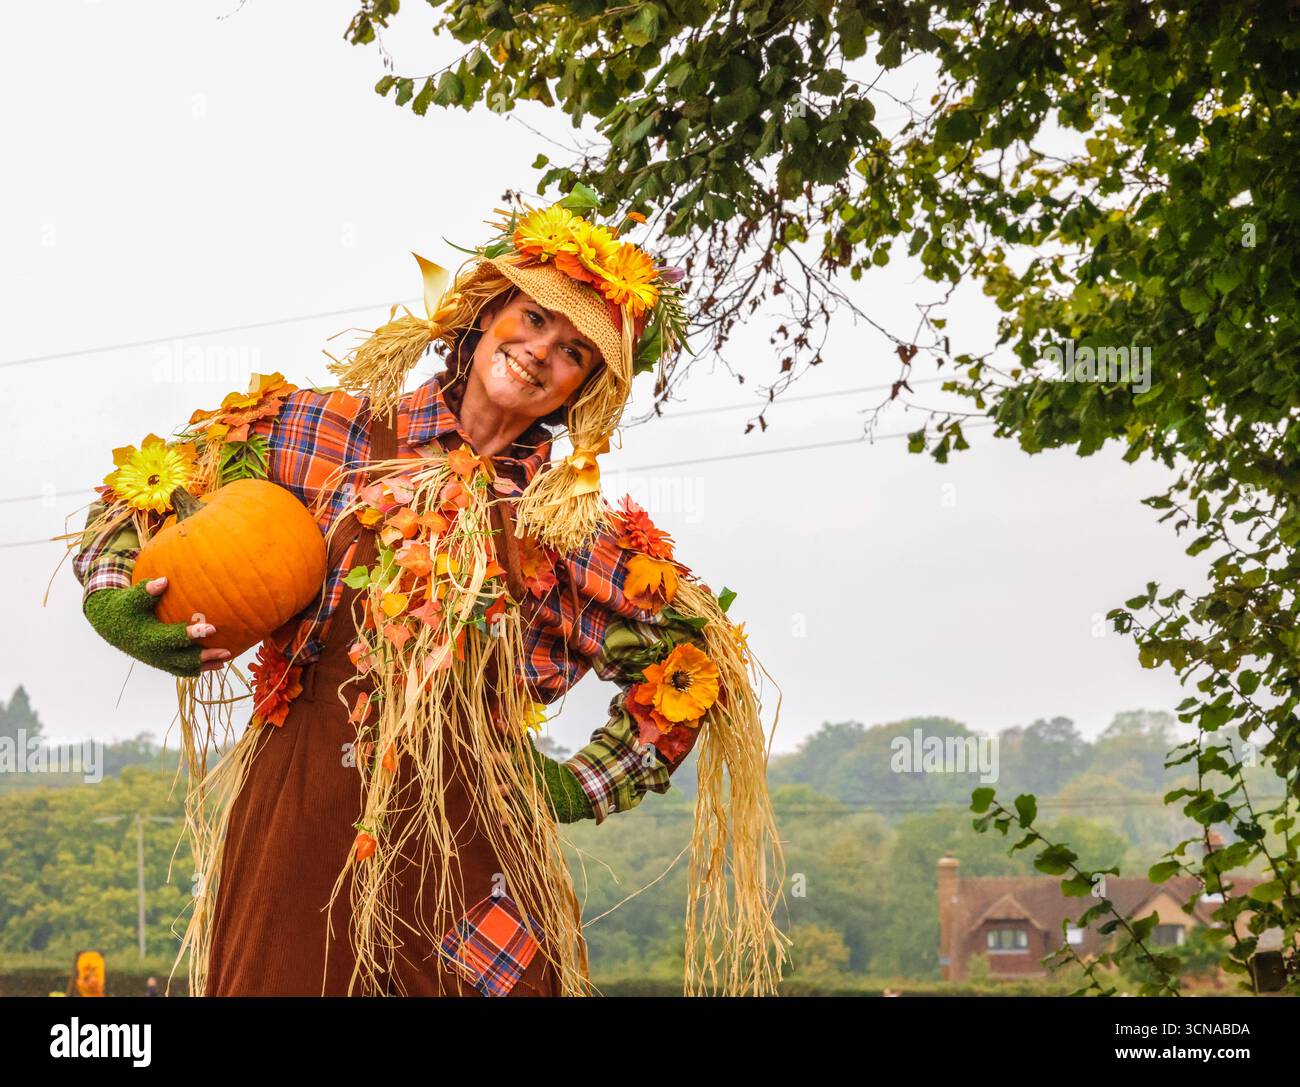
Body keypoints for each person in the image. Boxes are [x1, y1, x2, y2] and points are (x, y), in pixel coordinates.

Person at [73, 195, 786, 996]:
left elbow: (696, 666)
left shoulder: (569, 532)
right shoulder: (323, 432)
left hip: (471, 850)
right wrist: (114, 600)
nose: (541, 350)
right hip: (299, 825)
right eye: (534, 317)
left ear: (580, 390)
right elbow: (141, 495)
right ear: (486, 314)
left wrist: (575, 783)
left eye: (576, 351)